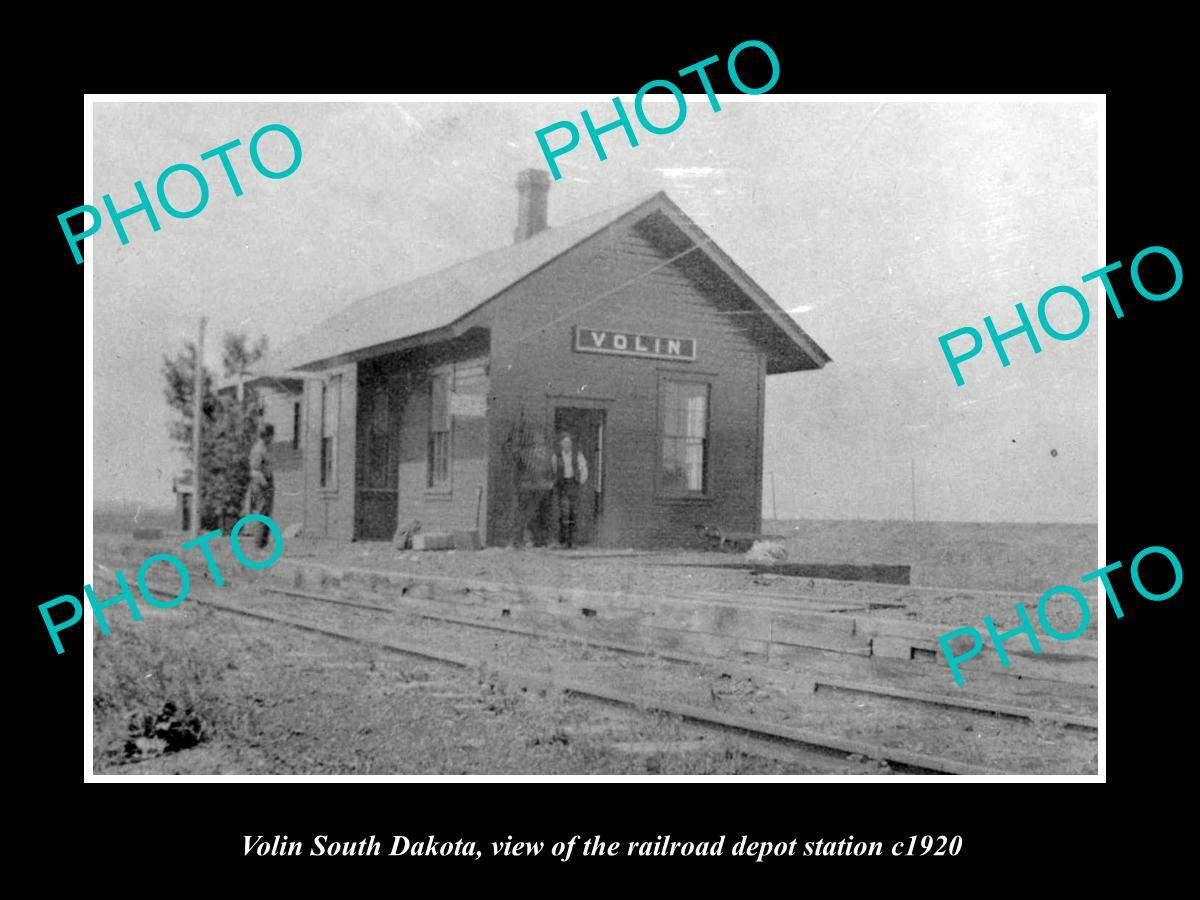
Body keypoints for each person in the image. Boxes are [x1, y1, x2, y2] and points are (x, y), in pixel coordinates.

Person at [551, 430, 588, 549]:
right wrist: (555, 482)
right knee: (563, 512)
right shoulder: (556, 456)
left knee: (573, 512)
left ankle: (572, 541)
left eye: (568, 442)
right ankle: (562, 540)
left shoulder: (577, 455)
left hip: (573, 483)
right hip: (562, 484)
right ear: (561, 444)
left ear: (571, 444)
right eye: (564, 442)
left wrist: (580, 482)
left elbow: (583, 468)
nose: (566, 445)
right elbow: (553, 470)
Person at [246, 423, 275, 548]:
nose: (272, 438)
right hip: (261, 484)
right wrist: (265, 483)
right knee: (262, 512)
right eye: (271, 436)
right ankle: (259, 543)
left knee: (266, 511)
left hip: (266, 482)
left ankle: (263, 543)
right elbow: (255, 470)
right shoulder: (259, 449)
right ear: (267, 435)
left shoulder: (264, 448)